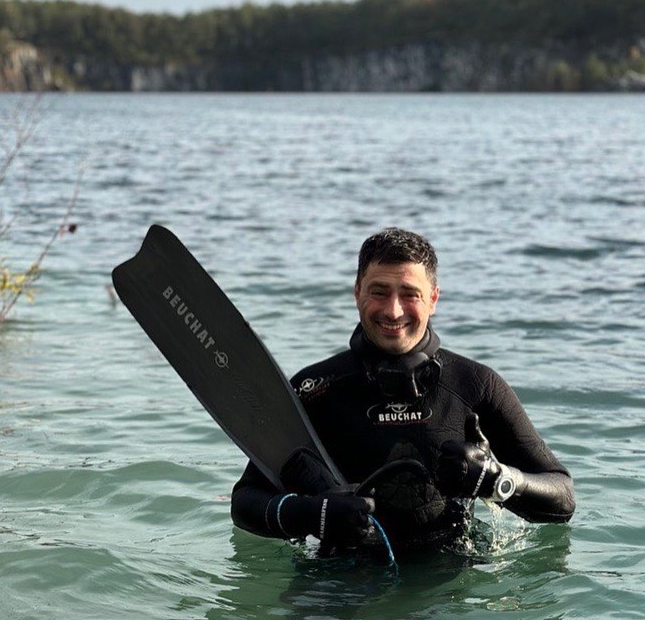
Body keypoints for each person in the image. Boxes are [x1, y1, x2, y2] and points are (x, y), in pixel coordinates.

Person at [231, 227, 574, 554]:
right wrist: (311, 515)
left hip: (448, 577)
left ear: (434, 298)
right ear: (356, 293)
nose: (393, 311)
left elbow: (562, 498)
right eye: (379, 292)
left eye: (410, 294)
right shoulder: (316, 390)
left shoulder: (476, 385)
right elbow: (245, 502)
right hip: (338, 582)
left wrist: (495, 479)